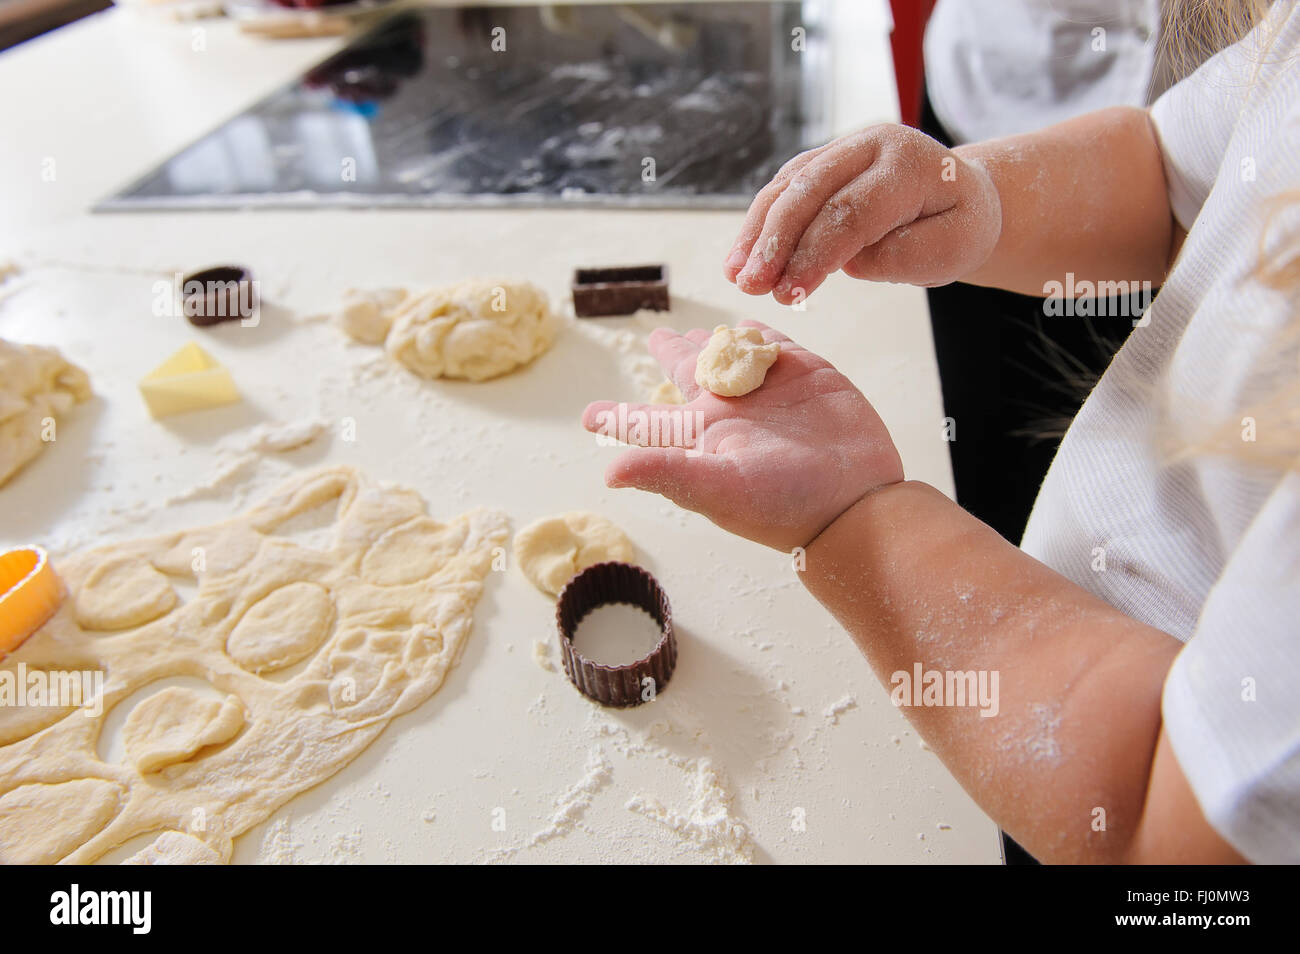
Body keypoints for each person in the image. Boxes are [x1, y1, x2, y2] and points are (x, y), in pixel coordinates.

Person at [582, 0, 1298, 863]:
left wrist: (852, 515)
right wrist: (977, 199)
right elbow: (1171, 173)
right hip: (1040, 664)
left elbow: (1154, 824)